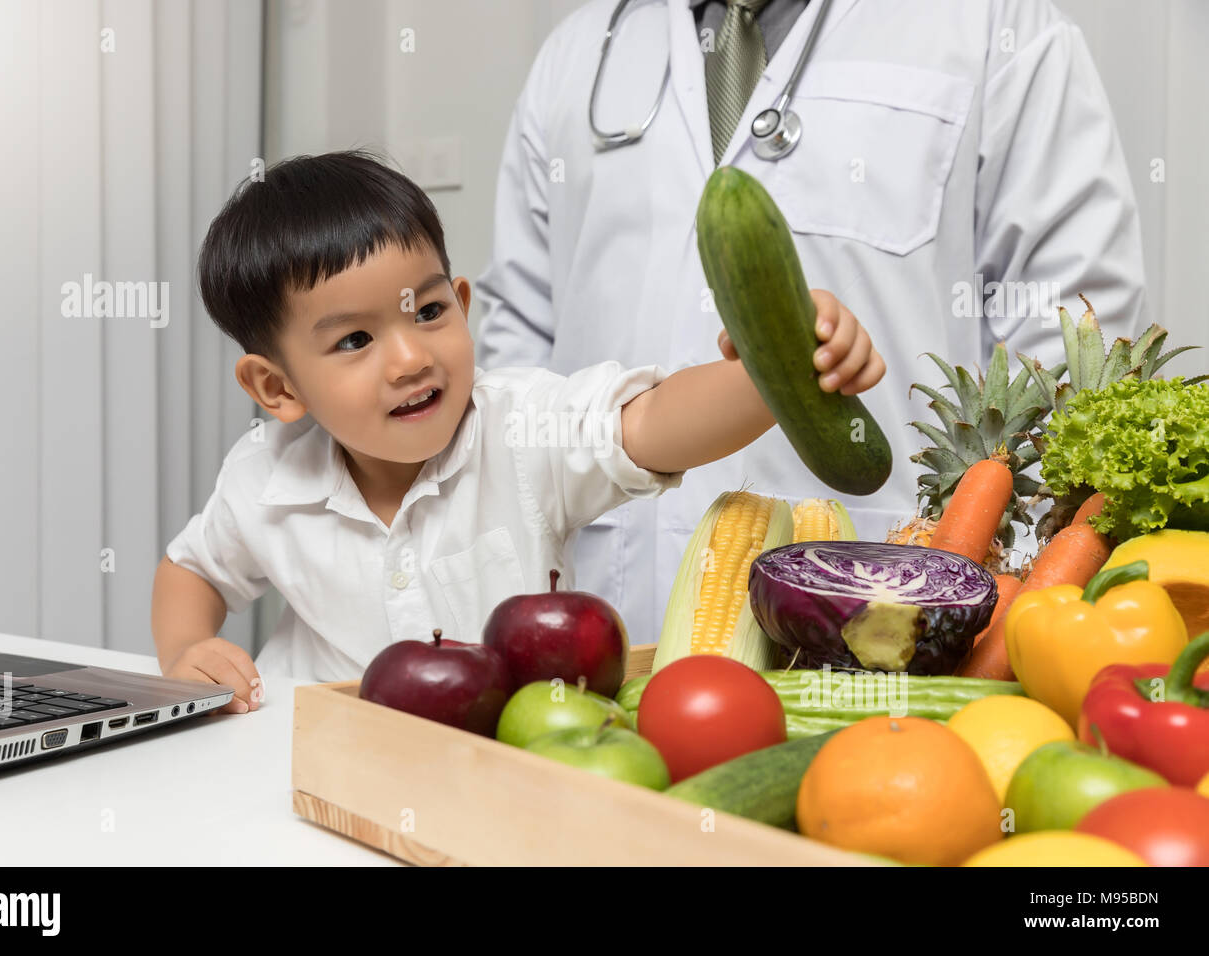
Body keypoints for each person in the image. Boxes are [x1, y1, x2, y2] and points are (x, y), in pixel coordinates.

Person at [475, 0, 1147, 648]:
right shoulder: (578, 52)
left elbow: (1072, 337)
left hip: (883, 603)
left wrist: (1015, 610)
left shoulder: (1000, 26)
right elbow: (518, 353)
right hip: (603, 616)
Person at [150, 149, 885, 712]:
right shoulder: (263, 479)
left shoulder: (525, 428)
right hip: (309, 757)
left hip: (502, 767)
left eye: (429, 312)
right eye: (354, 342)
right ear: (276, 388)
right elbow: (192, 571)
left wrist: (781, 360)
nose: (410, 358)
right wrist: (186, 650)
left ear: (462, 303)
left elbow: (655, 425)